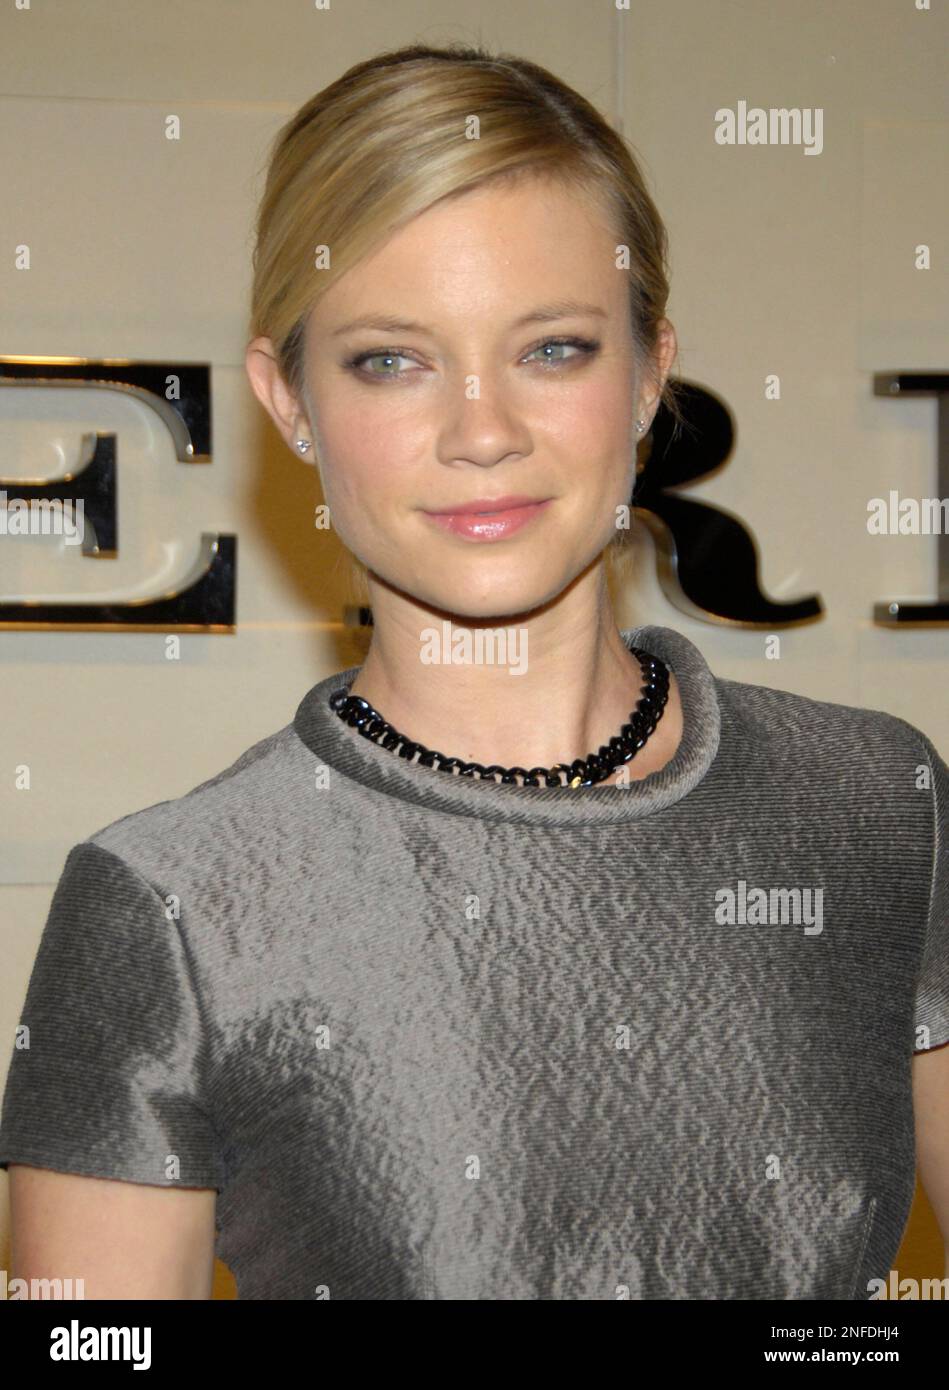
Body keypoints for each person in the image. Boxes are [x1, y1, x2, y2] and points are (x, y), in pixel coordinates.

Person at [1, 41, 947, 1301]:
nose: (482, 431)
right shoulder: (172, 903)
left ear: (653, 367)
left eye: (552, 348)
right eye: (390, 358)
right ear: (285, 400)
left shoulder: (875, 806)